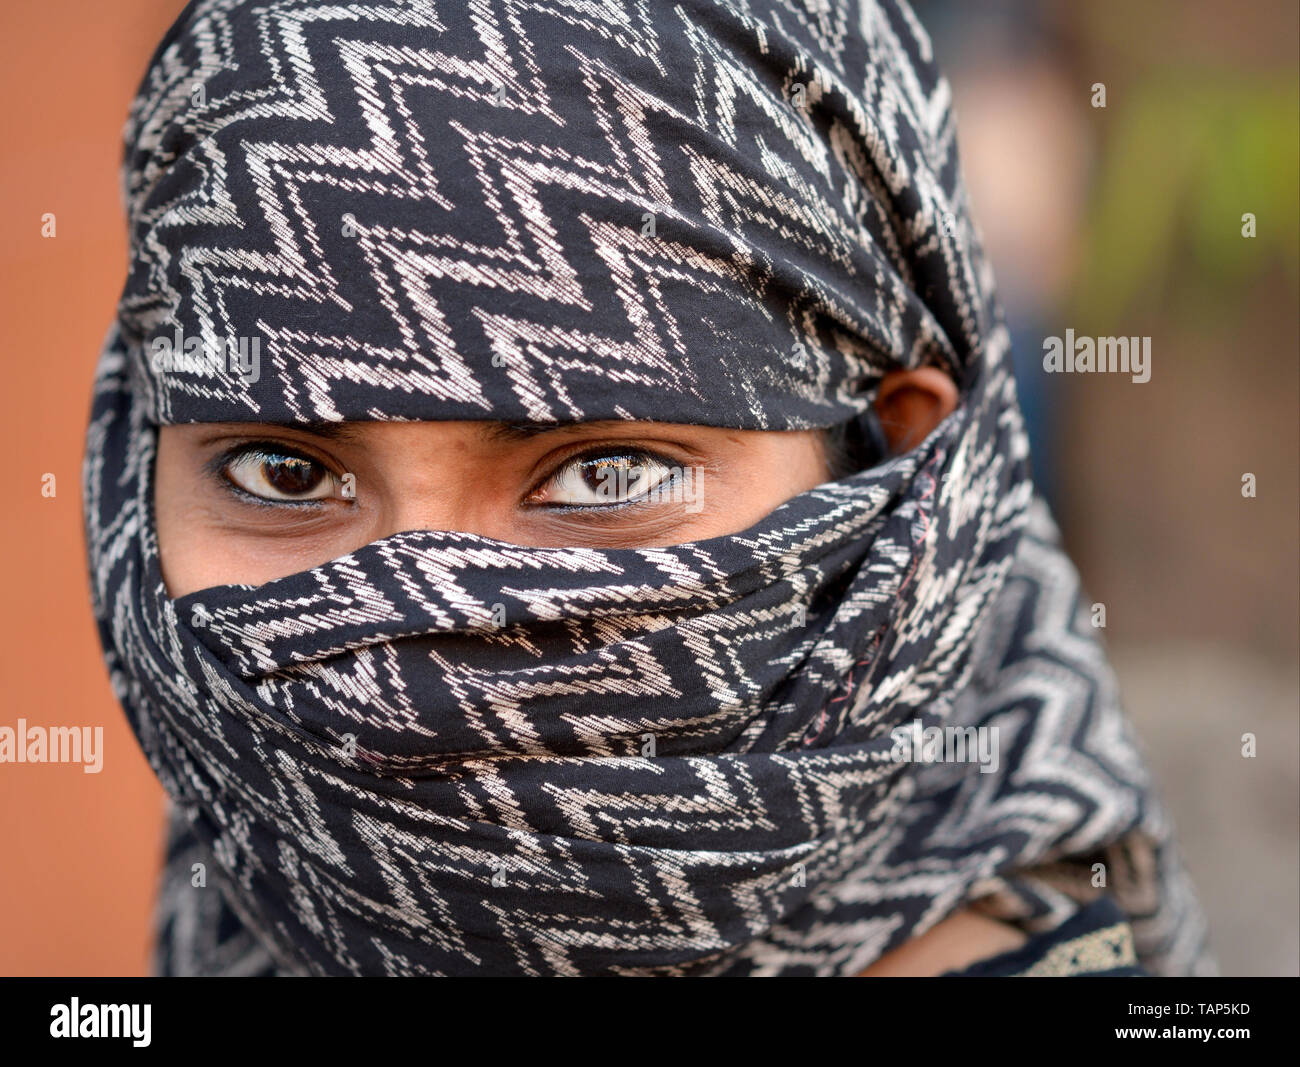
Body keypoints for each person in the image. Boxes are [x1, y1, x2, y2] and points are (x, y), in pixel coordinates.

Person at [84, 0, 1212, 976]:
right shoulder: (239, 893)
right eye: (283, 471)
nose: (413, 637)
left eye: (605, 472)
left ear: (895, 468)